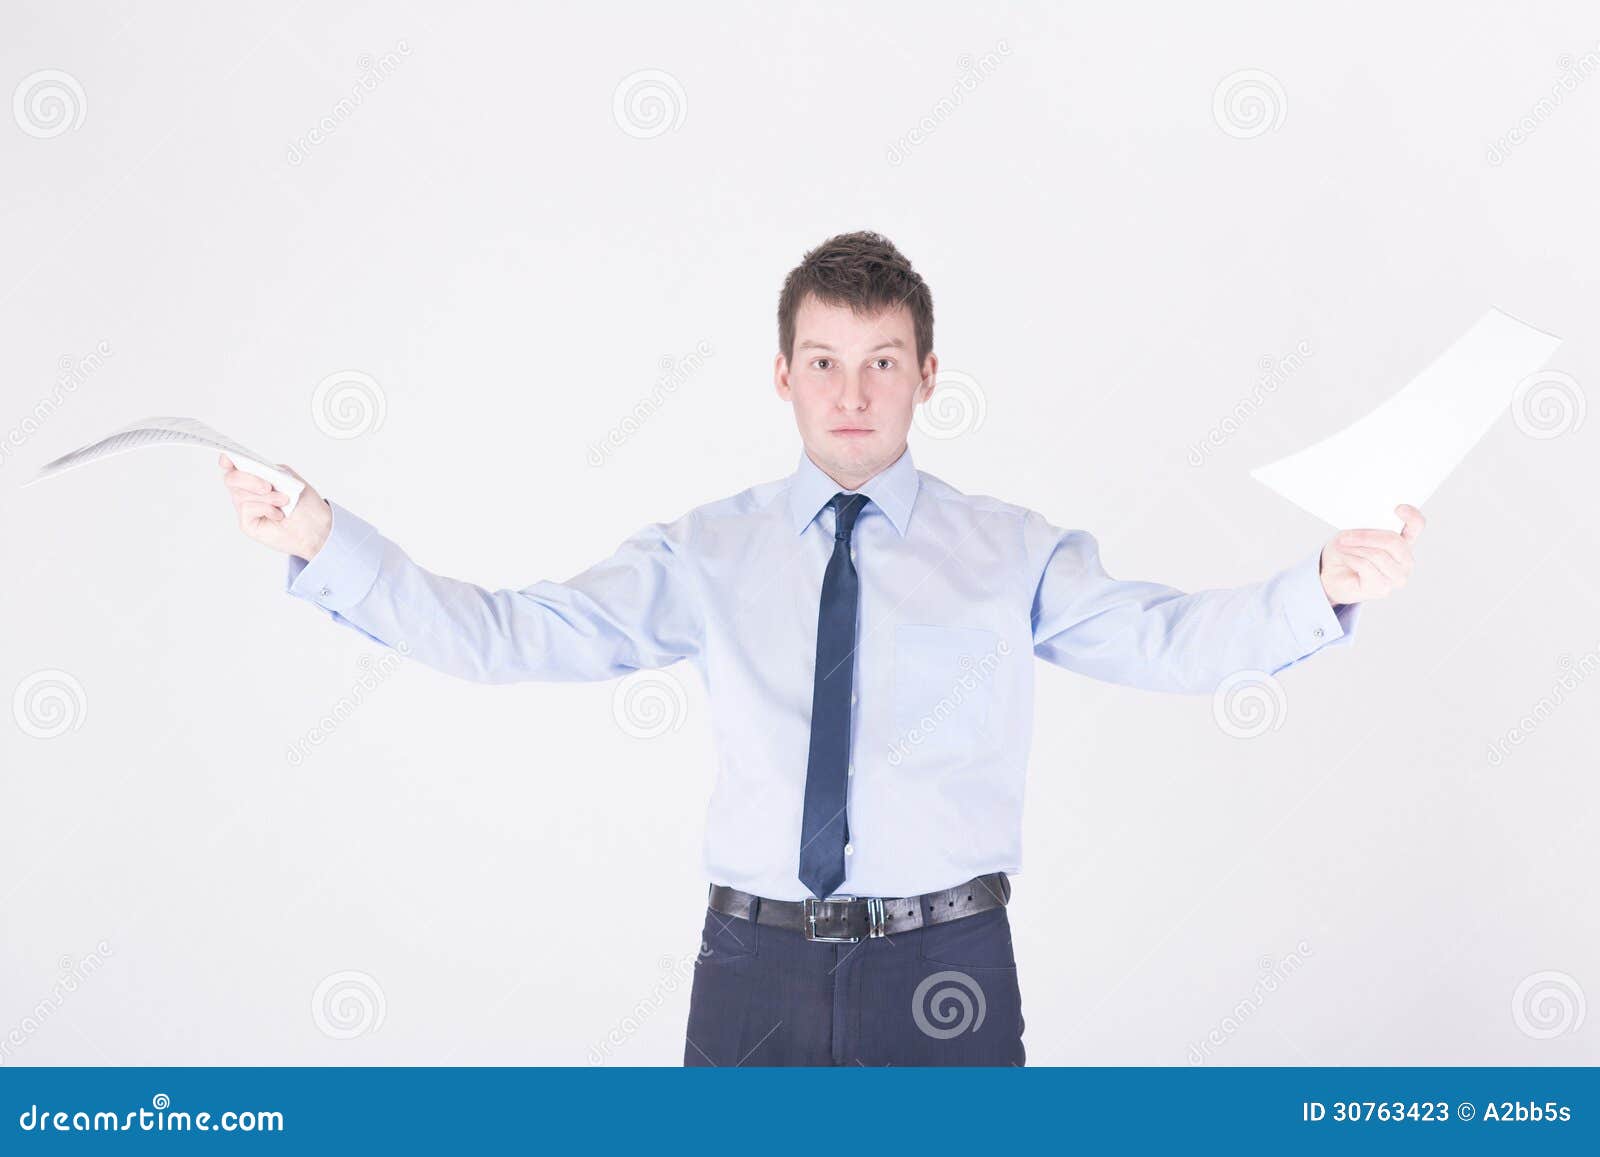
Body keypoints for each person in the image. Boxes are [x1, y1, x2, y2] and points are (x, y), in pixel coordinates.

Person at [219, 231, 1424, 1066]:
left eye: (883, 361)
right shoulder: (704, 552)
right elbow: (508, 636)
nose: (854, 392)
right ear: (783, 376)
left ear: (927, 376)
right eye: (826, 362)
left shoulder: (1011, 551)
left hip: (945, 964)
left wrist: (1312, 587)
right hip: (753, 968)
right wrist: (328, 542)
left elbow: (1167, 639)